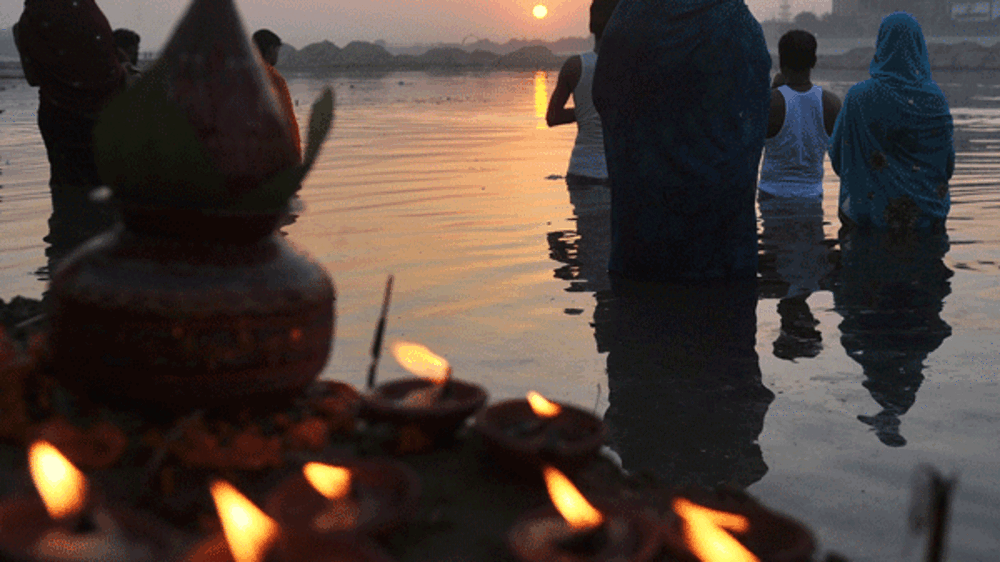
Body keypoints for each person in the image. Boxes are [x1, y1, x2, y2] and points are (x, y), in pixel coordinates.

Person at [592, 0, 771, 282]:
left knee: (636, 318)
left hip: (641, 235)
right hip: (723, 242)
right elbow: (752, 112)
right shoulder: (734, 21)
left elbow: (606, 99)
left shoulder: (628, 21)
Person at [829, 12, 954, 232]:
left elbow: (838, 155)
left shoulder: (859, 97)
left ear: (881, 44)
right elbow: (947, 165)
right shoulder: (936, 100)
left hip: (869, 221)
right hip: (927, 222)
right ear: (919, 46)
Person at [15, 0, 125, 188]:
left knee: (66, 191)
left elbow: (32, 78)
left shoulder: (28, 22)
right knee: (105, 192)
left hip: (59, 118)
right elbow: (110, 64)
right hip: (103, 117)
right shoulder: (89, 12)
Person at [760, 30, 841, 201]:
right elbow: (841, 160)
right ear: (814, 61)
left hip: (771, 198)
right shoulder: (831, 103)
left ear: (781, 63)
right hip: (813, 197)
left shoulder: (769, 102)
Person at [545, 0, 619, 188]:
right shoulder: (634, 66)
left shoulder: (574, 66)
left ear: (591, 26)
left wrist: (584, 112)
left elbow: (553, 117)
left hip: (580, 171)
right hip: (618, 173)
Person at [252, 29, 301, 160]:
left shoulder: (245, 75)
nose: (277, 56)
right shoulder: (272, 77)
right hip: (277, 155)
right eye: (277, 51)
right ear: (270, 49)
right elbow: (285, 118)